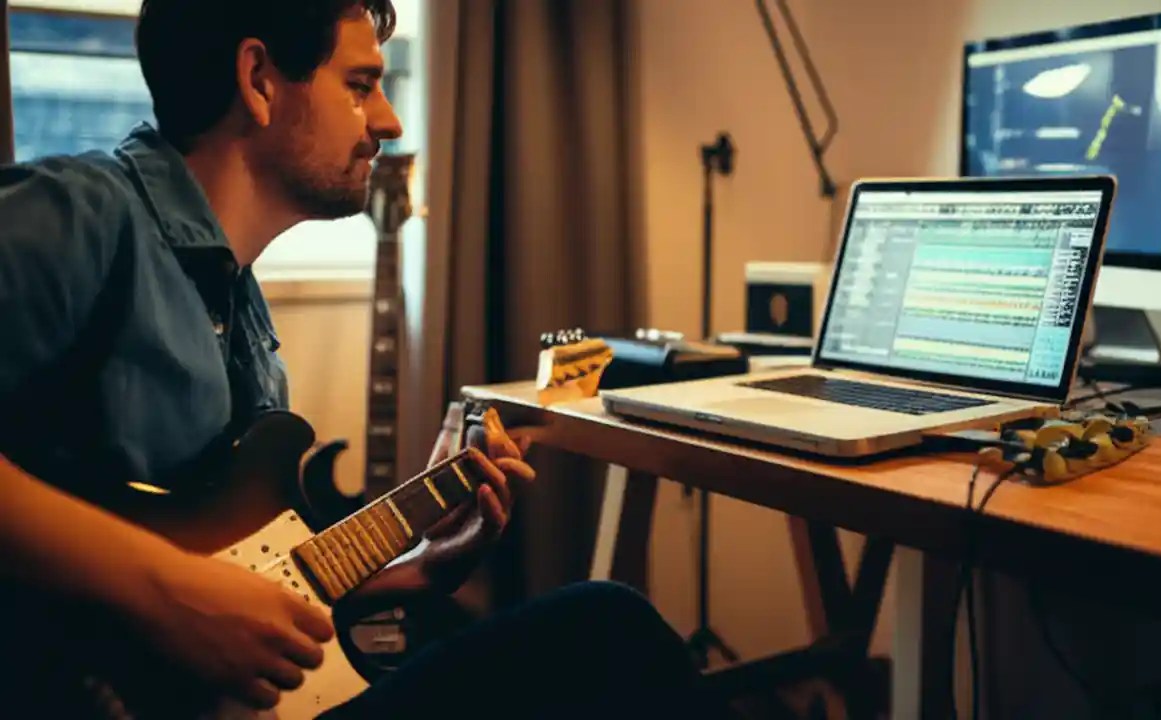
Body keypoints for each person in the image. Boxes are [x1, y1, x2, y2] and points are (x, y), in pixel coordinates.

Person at [0, 1, 730, 717]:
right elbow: (192, 592)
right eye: (359, 85)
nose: (389, 120)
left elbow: (250, 580)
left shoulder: (237, 306)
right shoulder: (82, 214)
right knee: (607, 631)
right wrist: (164, 591)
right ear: (258, 80)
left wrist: (414, 574)